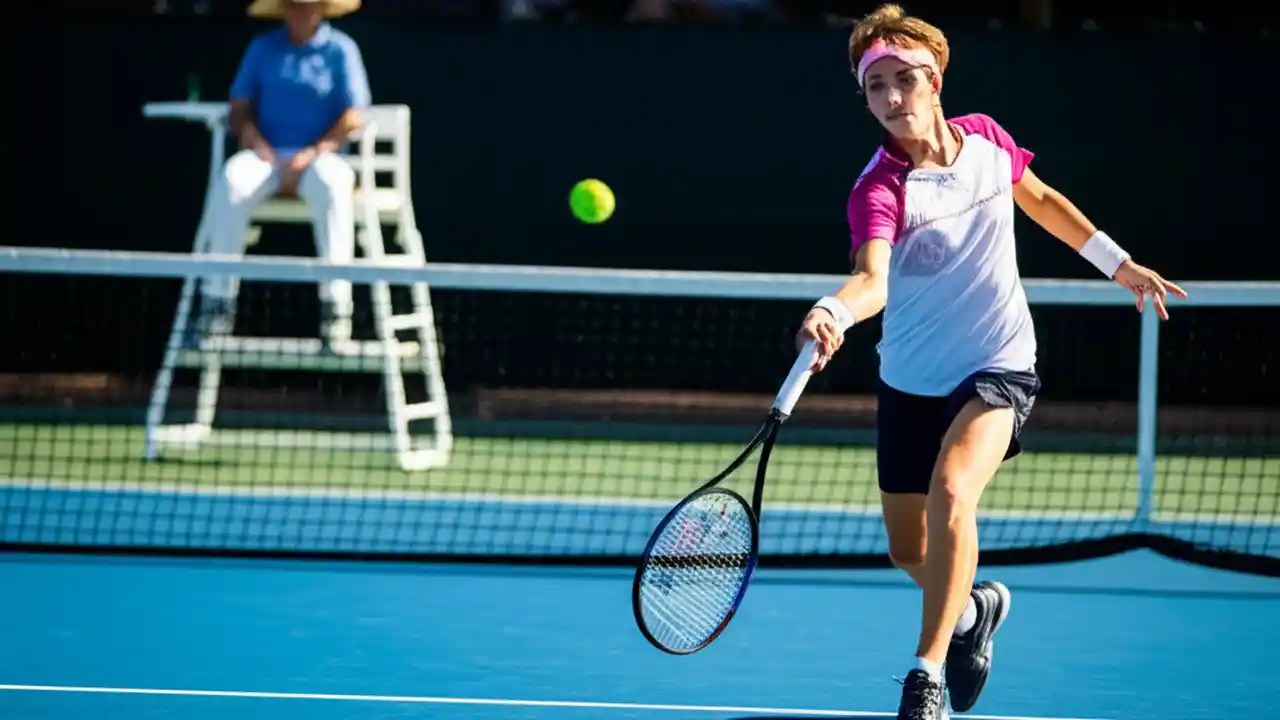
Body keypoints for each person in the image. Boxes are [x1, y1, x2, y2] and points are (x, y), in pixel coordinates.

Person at [794, 5, 1186, 719]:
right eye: (875, 87)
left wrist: (1118, 264)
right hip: (911, 378)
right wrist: (834, 309)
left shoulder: (985, 140)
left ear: (934, 79)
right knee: (908, 550)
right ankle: (974, 611)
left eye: (903, 80)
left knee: (954, 492)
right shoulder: (878, 188)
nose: (890, 98)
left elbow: (1039, 200)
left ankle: (926, 675)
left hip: (998, 361)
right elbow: (873, 276)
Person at [192, 0, 370, 348]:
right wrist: (261, 148)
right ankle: (216, 305)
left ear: (322, 9)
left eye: (308, 5)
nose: (301, 12)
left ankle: (336, 309)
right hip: (266, 156)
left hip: (320, 158)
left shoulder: (342, 50)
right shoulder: (262, 49)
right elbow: (239, 109)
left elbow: (353, 115)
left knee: (334, 185)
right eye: (294, 5)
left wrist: (312, 153)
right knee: (231, 181)